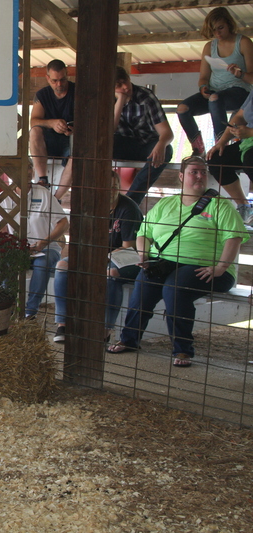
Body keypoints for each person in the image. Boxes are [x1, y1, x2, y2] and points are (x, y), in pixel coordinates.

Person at [106, 156, 248, 367]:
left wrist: (221, 267)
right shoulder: (166, 204)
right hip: (163, 263)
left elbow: (234, 237)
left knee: (175, 287)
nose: (199, 176)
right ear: (181, 176)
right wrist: (144, 255)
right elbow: (144, 233)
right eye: (193, 172)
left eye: (203, 172)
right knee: (144, 283)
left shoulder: (220, 205)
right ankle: (129, 340)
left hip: (207, 267)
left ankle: (182, 350)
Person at [52, 171, 143, 343]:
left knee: (111, 273)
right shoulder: (90, 206)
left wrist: (100, 258)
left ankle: (105, 329)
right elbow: (79, 240)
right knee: (62, 266)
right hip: (95, 255)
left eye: (114, 187)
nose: (110, 191)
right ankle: (63, 324)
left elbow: (128, 247)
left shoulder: (128, 209)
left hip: (124, 258)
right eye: (105, 187)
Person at [0, 163, 69, 320]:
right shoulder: (3, 198)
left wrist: (43, 243)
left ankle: (30, 311)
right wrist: (16, 247)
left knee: (43, 263)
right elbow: (0, 231)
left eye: (30, 167)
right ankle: (9, 307)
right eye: (23, 167)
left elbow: (63, 223)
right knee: (7, 262)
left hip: (46, 247)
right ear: (11, 173)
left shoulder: (43, 193)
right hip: (16, 248)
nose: (28, 171)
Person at [177, 7, 252, 157]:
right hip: (214, 92)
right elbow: (203, 77)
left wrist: (240, 74)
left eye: (220, 28)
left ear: (229, 24)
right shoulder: (209, 47)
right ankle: (198, 149)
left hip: (239, 91)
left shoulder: (243, 42)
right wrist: (203, 87)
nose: (217, 33)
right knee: (182, 108)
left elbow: (252, 77)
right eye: (213, 30)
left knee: (215, 99)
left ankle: (221, 144)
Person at [113, 66, 175, 205]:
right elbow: (110, 130)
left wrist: (161, 144)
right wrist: (120, 100)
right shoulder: (107, 99)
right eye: (118, 85)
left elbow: (167, 133)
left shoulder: (145, 97)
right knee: (101, 146)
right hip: (123, 144)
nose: (125, 87)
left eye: (125, 81)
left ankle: (130, 201)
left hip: (148, 144)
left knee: (167, 150)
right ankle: (105, 195)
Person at [29, 59, 75, 201]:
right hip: (48, 143)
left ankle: (57, 198)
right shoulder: (42, 95)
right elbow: (33, 121)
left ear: (67, 74)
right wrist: (52, 123)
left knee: (78, 152)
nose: (59, 84)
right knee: (34, 131)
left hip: (71, 143)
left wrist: (74, 130)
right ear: (47, 78)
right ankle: (43, 179)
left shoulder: (77, 92)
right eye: (55, 81)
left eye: (62, 80)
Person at [207, 88, 253, 224]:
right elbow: (239, 117)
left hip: (250, 141)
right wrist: (222, 142)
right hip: (248, 142)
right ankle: (244, 206)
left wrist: (250, 132)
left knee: (250, 160)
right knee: (216, 158)